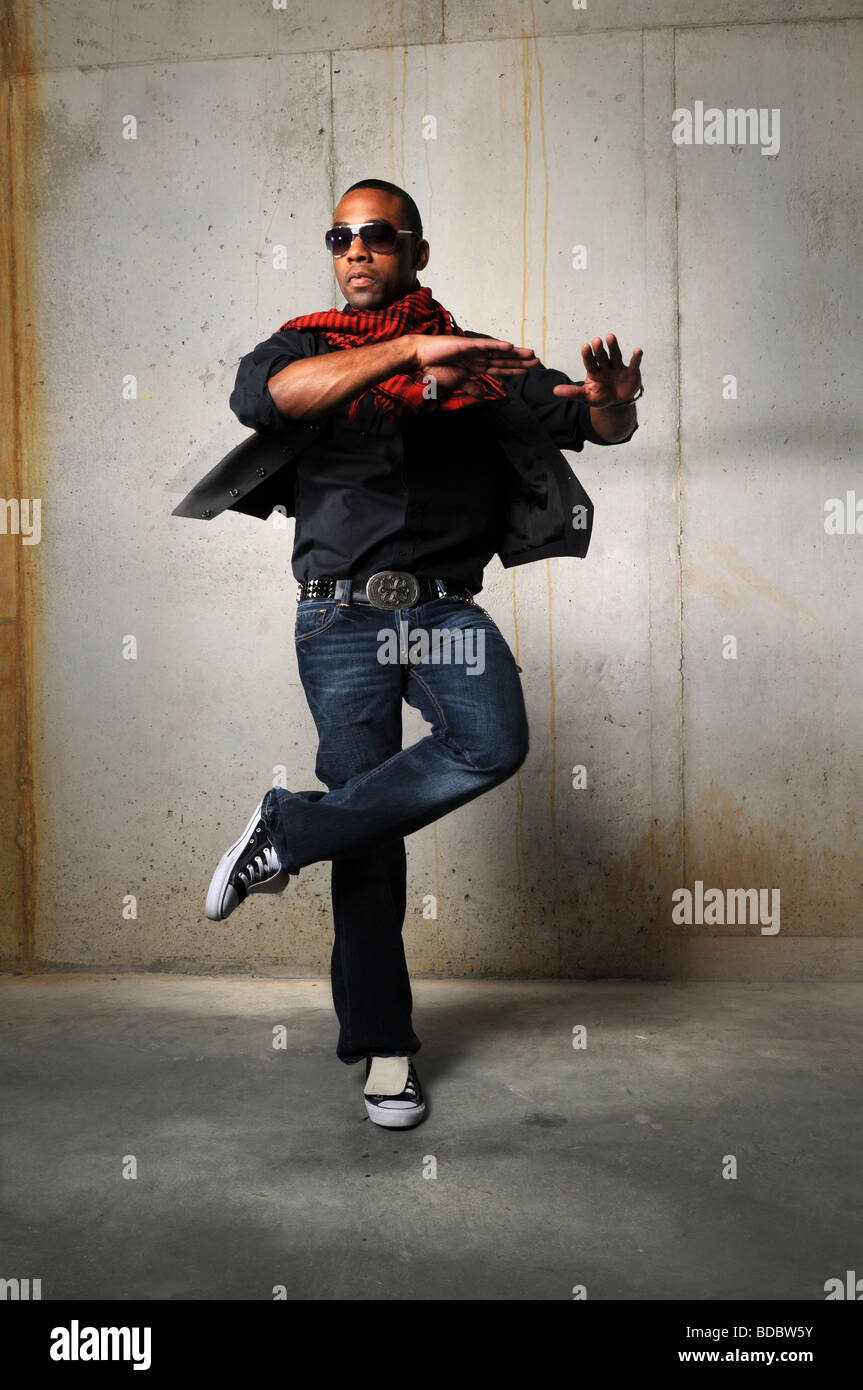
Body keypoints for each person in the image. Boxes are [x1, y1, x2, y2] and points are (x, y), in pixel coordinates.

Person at [189, 178, 642, 1129]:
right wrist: (402, 352)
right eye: (342, 236)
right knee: (373, 836)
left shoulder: (478, 362)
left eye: (378, 237)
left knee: (491, 742)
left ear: (416, 253)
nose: (356, 251)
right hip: (339, 619)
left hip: (441, 610)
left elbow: (580, 418)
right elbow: (267, 403)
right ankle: (385, 1048)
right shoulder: (303, 344)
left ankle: (287, 831)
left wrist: (610, 406)